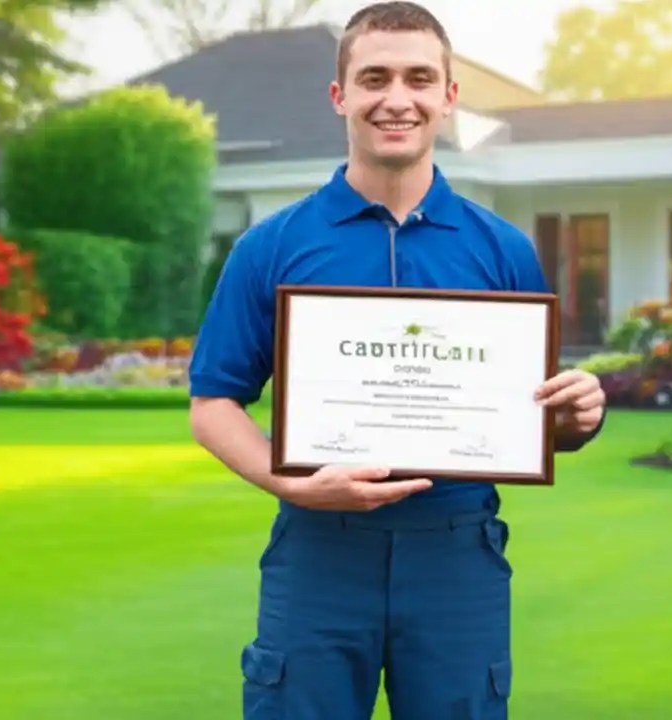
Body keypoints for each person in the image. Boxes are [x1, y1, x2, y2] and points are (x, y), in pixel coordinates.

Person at [187, 2, 608, 719]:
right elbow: (213, 402)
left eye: (419, 78)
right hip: (320, 550)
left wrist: (578, 415)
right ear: (340, 95)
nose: (396, 99)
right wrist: (291, 486)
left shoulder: (502, 248)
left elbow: (538, 419)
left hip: (456, 551)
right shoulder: (271, 246)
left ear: (448, 97)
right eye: (374, 77)